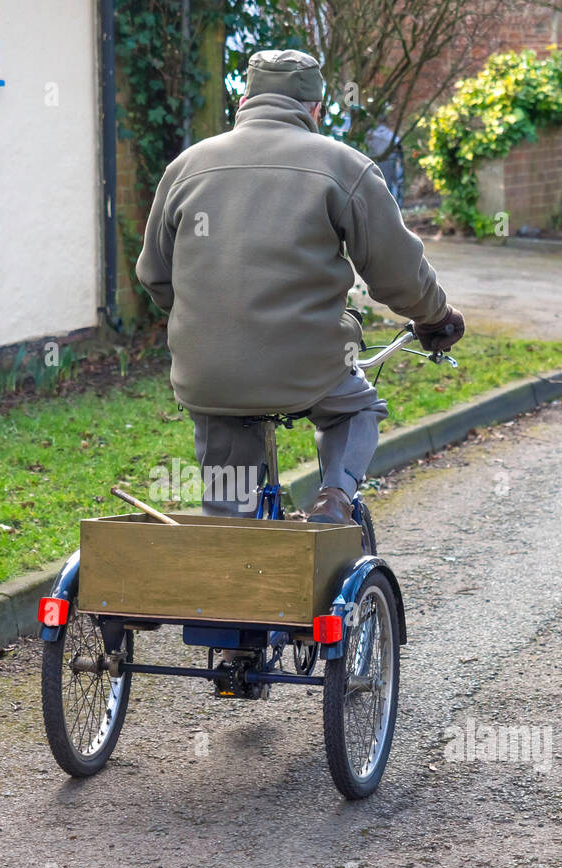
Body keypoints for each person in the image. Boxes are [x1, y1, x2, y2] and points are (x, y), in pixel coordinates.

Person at [136, 48, 463, 525]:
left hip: (209, 373)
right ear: (314, 109)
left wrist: (208, 316)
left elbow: (154, 276)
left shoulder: (186, 167)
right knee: (357, 409)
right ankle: (333, 499)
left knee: (230, 504)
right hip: (307, 368)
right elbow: (398, 272)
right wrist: (435, 316)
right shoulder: (342, 167)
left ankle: (229, 547)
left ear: (244, 100)